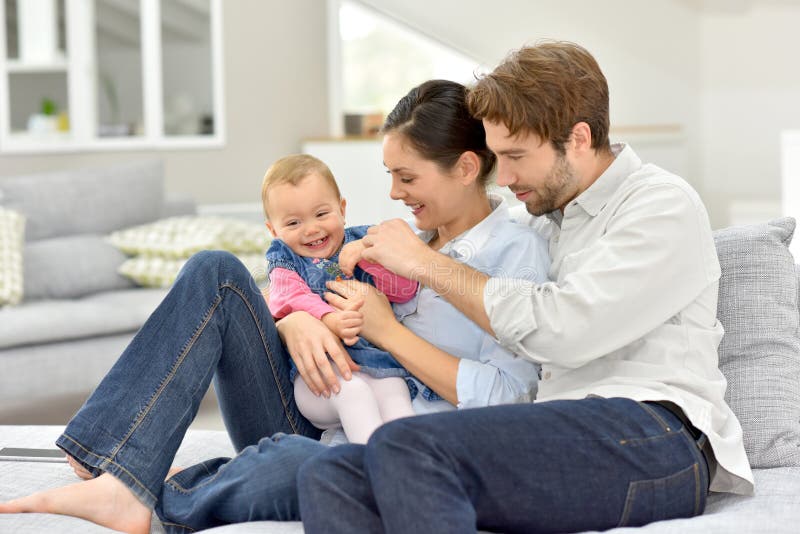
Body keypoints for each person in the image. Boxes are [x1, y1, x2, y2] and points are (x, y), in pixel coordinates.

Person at [0, 79, 550, 534]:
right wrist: (295, 321)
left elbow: (510, 397)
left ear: (465, 167)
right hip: (310, 403)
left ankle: (156, 497)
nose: (394, 193)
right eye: (390, 176)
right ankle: (115, 464)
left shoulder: (513, 254)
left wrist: (388, 331)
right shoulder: (397, 237)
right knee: (215, 271)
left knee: (306, 468)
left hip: (391, 444)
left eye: (406, 178)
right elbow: (304, 285)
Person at [297, 41, 755, 534]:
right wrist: (299, 315)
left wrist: (426, 264)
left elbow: (565, 330)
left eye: (516, 155)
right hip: (553, 429)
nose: (506, 176)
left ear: (578, 138)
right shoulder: (534, 221)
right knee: (330, 474)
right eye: (497, 156)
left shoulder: (659, 204)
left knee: (406, 444)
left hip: (651, 435)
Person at [262, 153, 418, 444]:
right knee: (354, 394)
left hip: (378, 366)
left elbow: (405, 289)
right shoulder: (284, 258)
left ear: (342, 209)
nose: (311, 229)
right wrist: (328, 319)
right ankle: (373, 471)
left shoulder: (362, 240)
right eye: (293, 223)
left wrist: (368, 257)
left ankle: (412, 469)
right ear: (274, 230)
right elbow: (286, 296)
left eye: (322, 214)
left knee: (396, 393)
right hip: (320, 380)